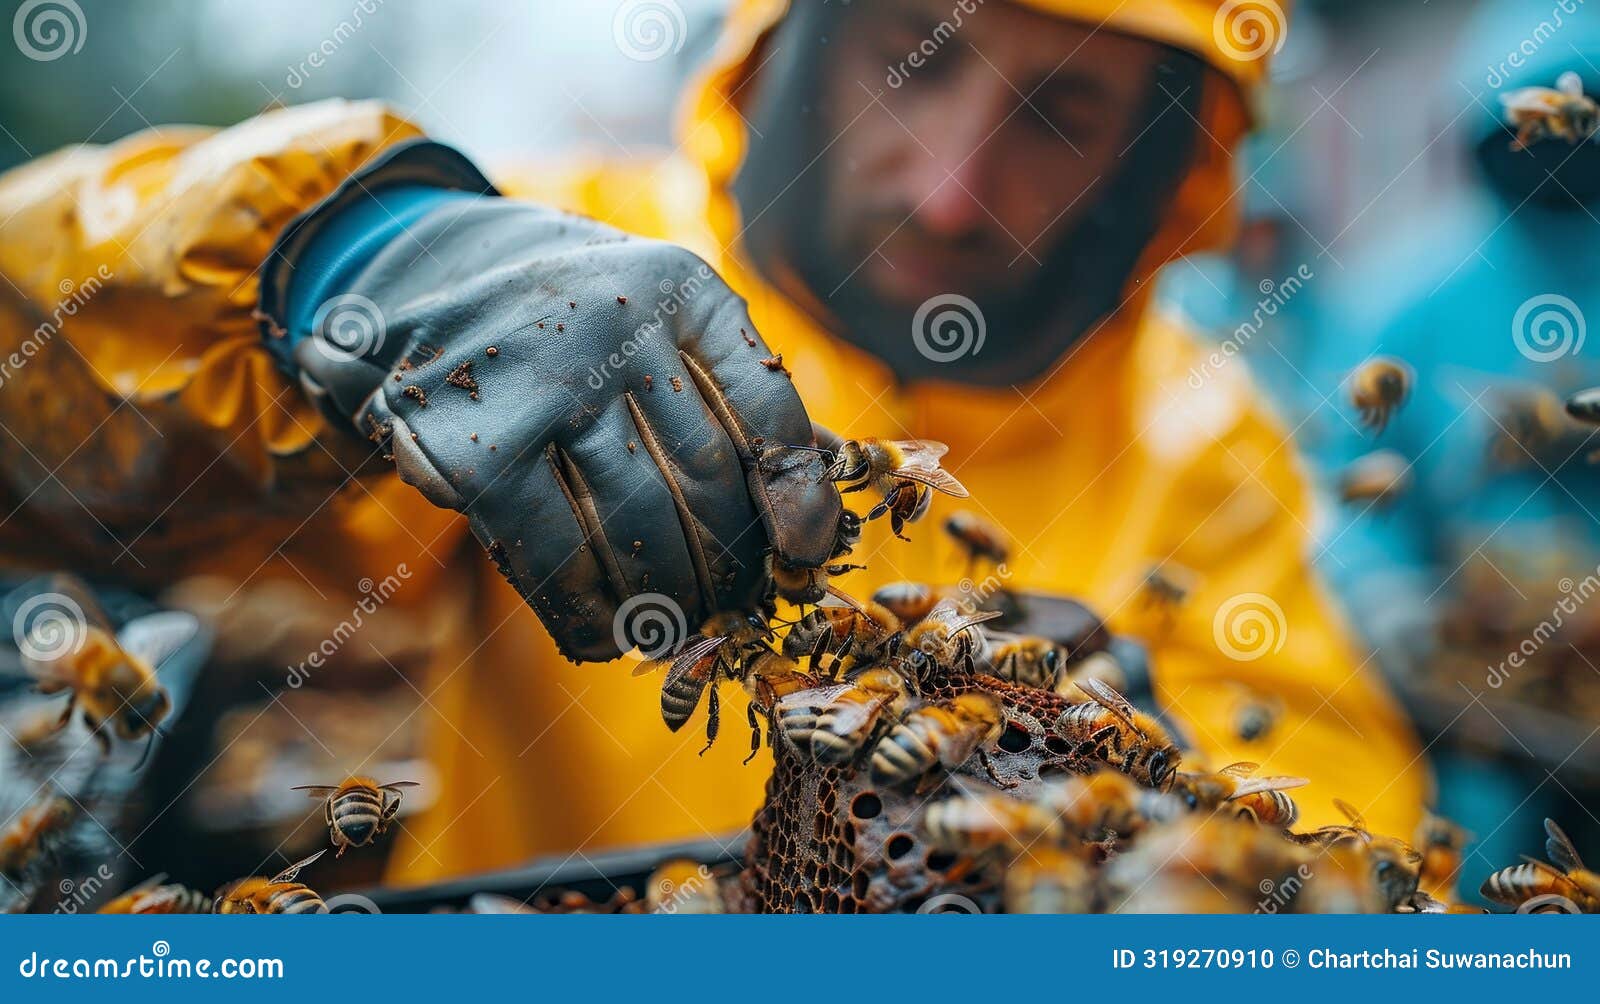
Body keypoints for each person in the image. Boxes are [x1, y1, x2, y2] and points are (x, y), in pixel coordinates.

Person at [0, 0, 1425, 884]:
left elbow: (1347, 823)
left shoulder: (1198, 431)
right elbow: (50, 426)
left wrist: (1157, 790)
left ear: (1154, 166)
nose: (949, 187)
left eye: (1062, 113)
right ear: (789, 45)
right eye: (907, 55)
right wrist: (332, 257)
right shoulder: (564, 263)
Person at [1310, 1, 1600, 880]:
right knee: (1477, 885)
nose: (1552, 149)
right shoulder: (1407, 293)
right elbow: (1341, 481)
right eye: (1525, 124)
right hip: (1475, 708)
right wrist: (1388, 598)